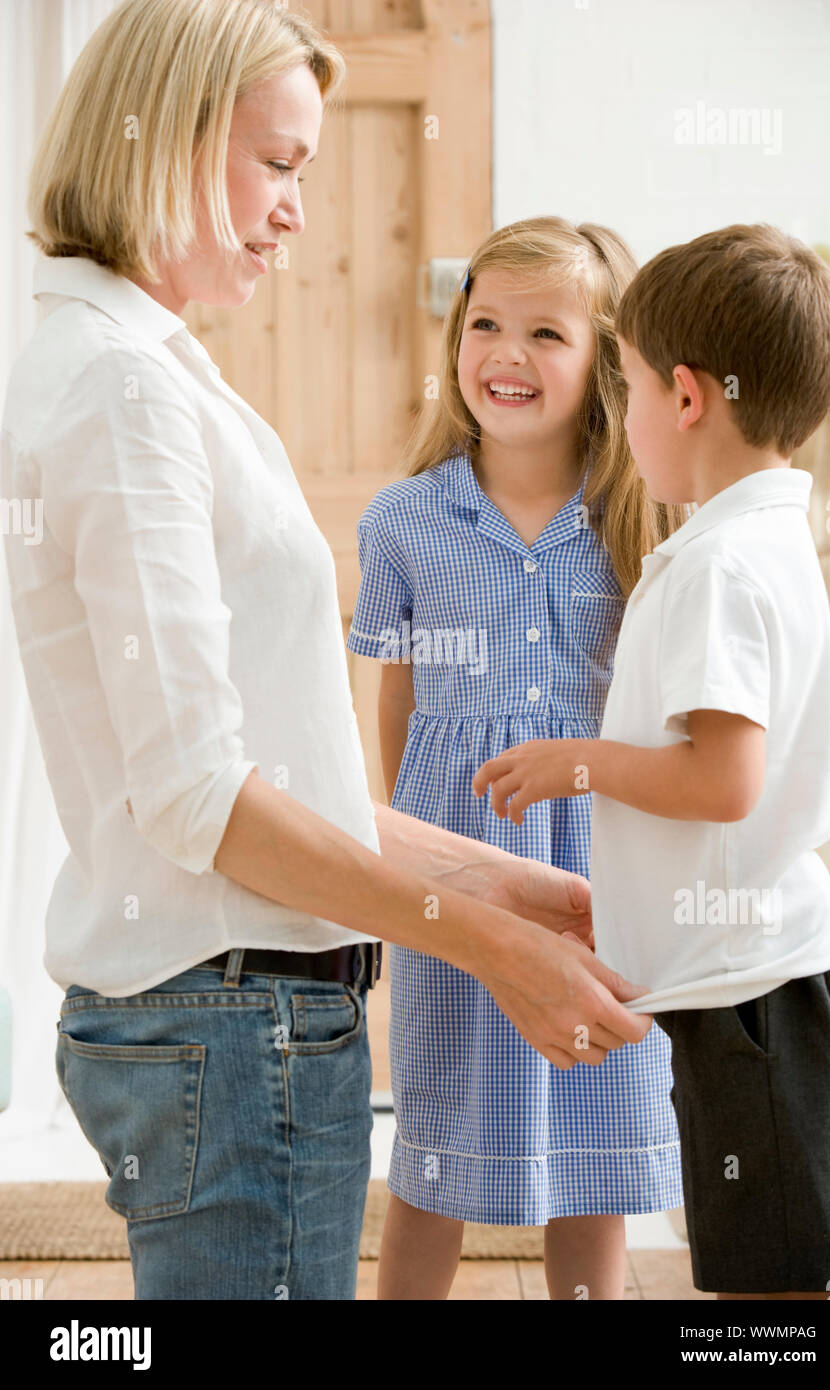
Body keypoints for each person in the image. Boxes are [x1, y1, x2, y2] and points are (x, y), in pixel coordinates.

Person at [0, 0, 652, 1301]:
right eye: (278, 162)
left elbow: (267, 781)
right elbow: (203, 803)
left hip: (236, 1020)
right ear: (165, 142)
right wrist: (476, 941)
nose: (299, 207)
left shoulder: (144, 368)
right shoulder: (126, 391)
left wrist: (511, 890)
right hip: (232, 1028)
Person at [474, 223, 830, 1300]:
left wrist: (576, 762)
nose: (623, 411)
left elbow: (719, 781)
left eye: (631, 384)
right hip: (743, 990)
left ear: (685, 398)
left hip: (757, 1005)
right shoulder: (748, 538)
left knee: (774, 1287)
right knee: (762, 1269)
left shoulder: (719, 566)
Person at [347, 216, 688, 1300]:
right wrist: (409, 860)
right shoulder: (404, 521)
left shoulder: (642, 521)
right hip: (456, 866)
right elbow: (397, 711)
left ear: (603, 361)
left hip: (598, 869)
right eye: (485, 322)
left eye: (546, 331)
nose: (505, 351)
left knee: (591, 1140)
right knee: (436, 1138)